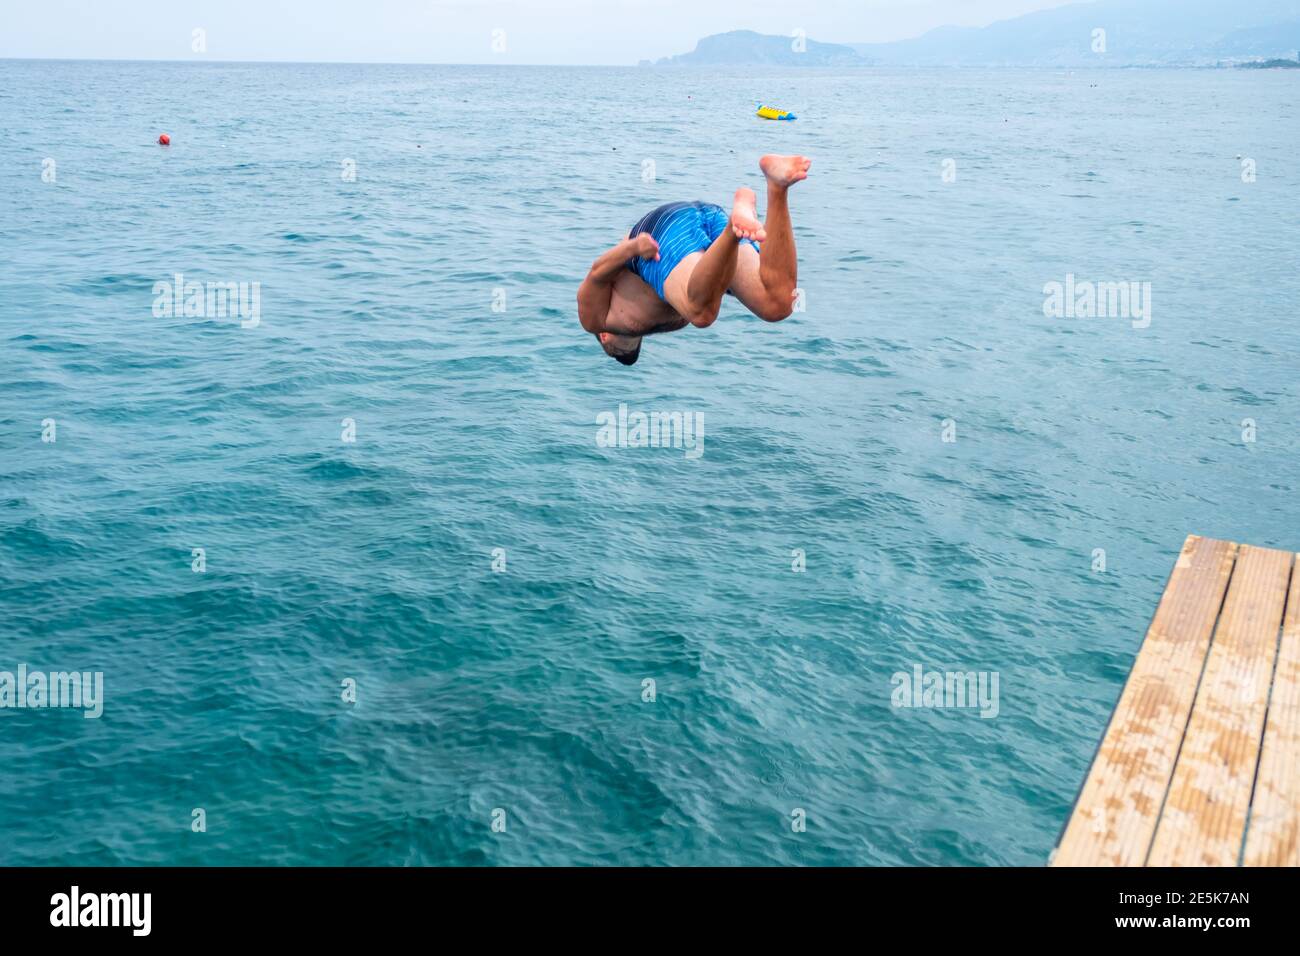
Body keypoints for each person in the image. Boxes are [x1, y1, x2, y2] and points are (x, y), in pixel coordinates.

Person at [577, 154, 811, 365]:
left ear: (605, 339)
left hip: (659, 232)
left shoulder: (595, 321)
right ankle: (776, 185)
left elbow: (597, 272)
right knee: (777, 304)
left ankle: (733, 228)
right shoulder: (655, 319)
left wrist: (633, 247)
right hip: (705, 221)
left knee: (701, 314)